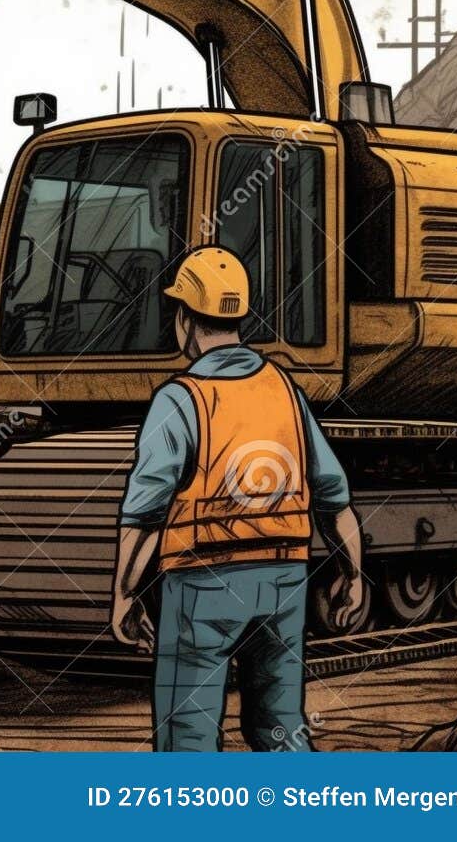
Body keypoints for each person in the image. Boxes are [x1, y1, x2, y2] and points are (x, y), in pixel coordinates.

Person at [109, 246, 365, 752]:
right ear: (240, 317)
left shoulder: (180, 398)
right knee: (278, 726)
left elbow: (146, 513)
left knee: (189, 734)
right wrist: (353, 572)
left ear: (184, 319)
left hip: (204, 584)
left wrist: (124, 594)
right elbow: (333, 496)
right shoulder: (284, 389)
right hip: (284, 580)